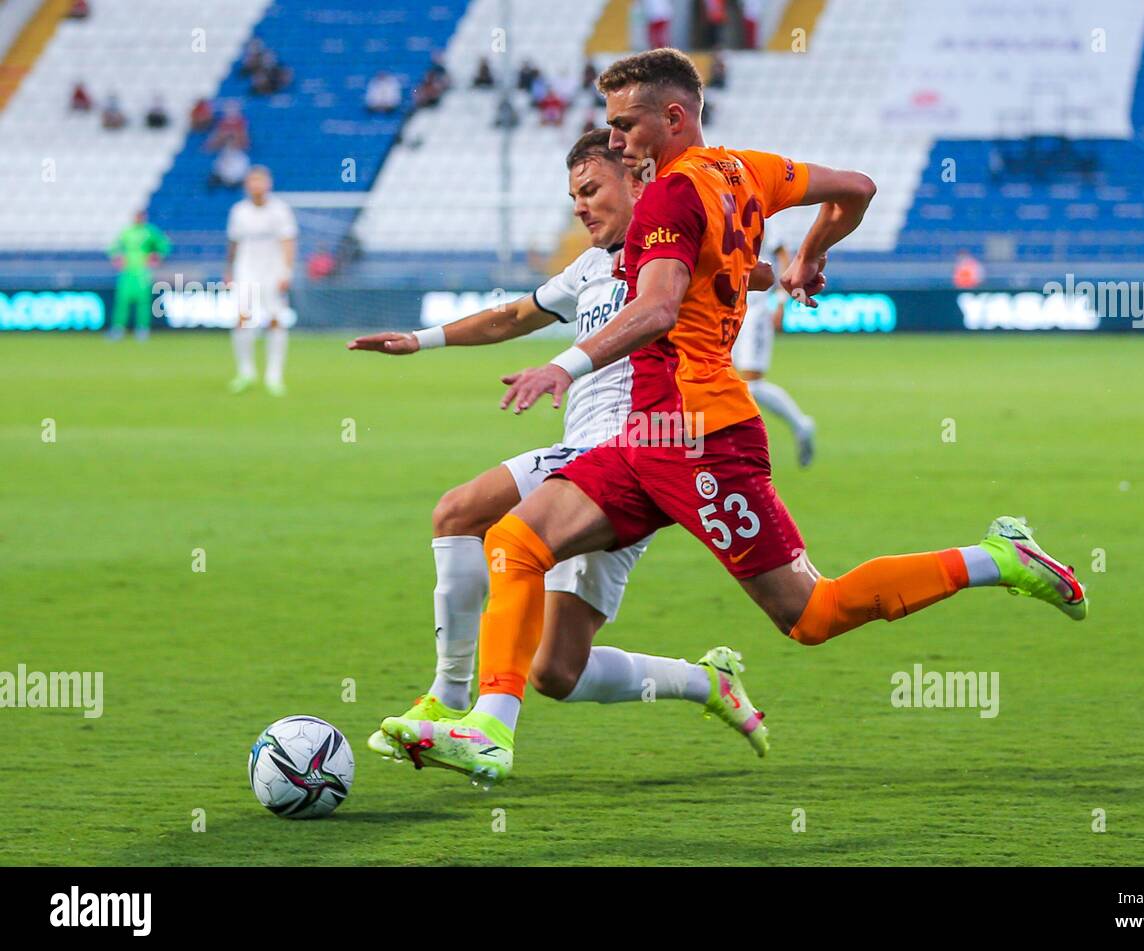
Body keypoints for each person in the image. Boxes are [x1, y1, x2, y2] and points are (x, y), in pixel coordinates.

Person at [400, 48, 1088, 786]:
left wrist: (559, 366)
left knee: (812, 614)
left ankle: (998, 557)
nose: (618, 140)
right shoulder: (747, 168)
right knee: (516, 539)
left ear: (673, 117)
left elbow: (658, 307)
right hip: (649, 433)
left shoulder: (666, 198)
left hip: (701, 437)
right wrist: (810, 258)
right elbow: (856, 187)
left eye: (627, 126)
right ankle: (490, 731)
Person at [349, 129, 772, 765]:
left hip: (636, 459)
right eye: (573, 194)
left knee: (468, 517)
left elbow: (747, 268)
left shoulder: (672, 256)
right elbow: (514, 317)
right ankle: (705, 681)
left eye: (591, 189)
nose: (579, 205)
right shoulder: (592, 266)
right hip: (584, 454)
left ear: (638, 183)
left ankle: (459, 706)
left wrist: (782, 267)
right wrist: (421, 340)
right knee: (555, 671)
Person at [732, 244, 816, 466]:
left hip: (755, 310)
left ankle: (800, 424)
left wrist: (781, 302)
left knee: (752, 384)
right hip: (729, 307)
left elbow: (782, 255)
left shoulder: (761, 212)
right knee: (726, 379)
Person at [225, 166, 297, 396]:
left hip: (272, 270)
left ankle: (274, 375)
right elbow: (234, 243)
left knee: (275, 319)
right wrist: (229, 270)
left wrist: (286, 271)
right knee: (242, 318)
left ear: (268, 184)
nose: (256, 186)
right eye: (252, 182)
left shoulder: (280, 210)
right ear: (247, 185)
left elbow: (288, 242)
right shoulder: (239, 211)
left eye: (260, 181)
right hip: (245, 269)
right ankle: (246, 372)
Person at [106, 211, 170, 341]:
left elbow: (164, 245)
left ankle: (142, 329)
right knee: (122, 302)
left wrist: (157, 257)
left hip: (143, 271)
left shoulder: (149, 231)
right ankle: (118, 328)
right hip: (127, 272)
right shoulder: (127, 232)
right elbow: (113, 247)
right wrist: (116, 258)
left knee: (143, 302)